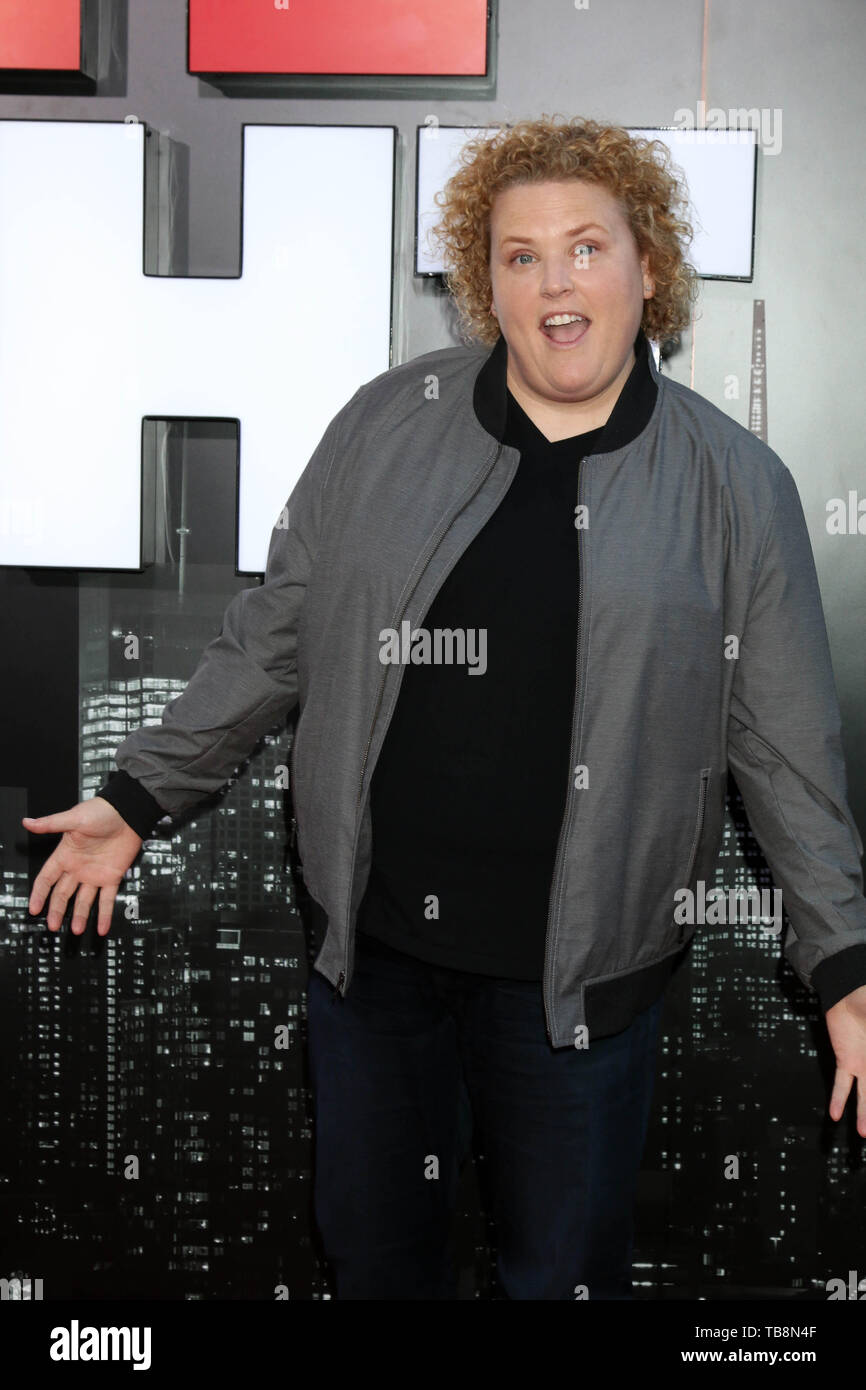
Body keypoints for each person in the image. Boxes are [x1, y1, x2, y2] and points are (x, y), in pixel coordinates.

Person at [24, 117, 866, 1300]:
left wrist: (842, 964)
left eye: (585, 247)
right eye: (519, 256)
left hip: (576, 996)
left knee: (558, 1278)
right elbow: (277, 634)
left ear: (647, 269)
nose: (554, 281)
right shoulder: (386, 423)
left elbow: (785, 753)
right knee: (375, 1266)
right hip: (375, 970)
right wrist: (138, 791)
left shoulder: (735, 487)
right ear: (488, 285)